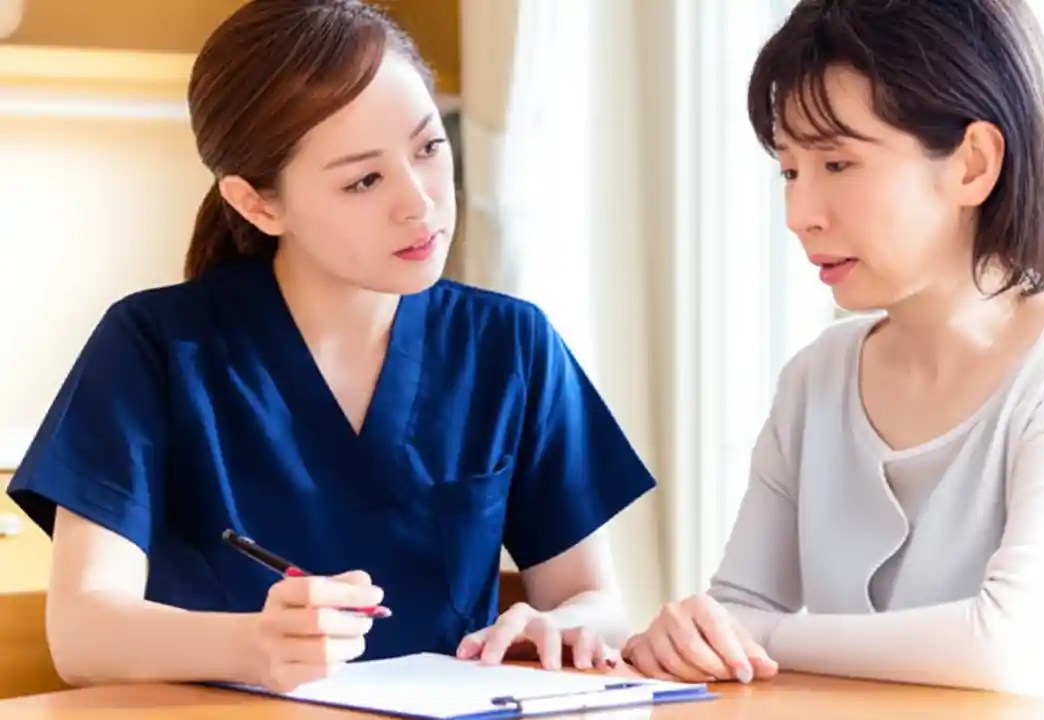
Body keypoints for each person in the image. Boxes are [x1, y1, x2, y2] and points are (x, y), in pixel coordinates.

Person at [7, 0, 654, 693]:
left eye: (429, 148)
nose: (419, 202)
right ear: (258, 203)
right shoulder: (152, 347)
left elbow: (594, 602)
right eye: (364, 180)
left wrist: (563, 624)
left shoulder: (512, 345)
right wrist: (253, 646)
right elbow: (82, 633)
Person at [623, 0, 1044, 712]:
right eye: (790, 171)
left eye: (837, 163)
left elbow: (1011, 645)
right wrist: (666, 637)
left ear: (972, 165)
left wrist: (755, 634)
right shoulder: (816, 377)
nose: (800, 215)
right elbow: (732, 621)